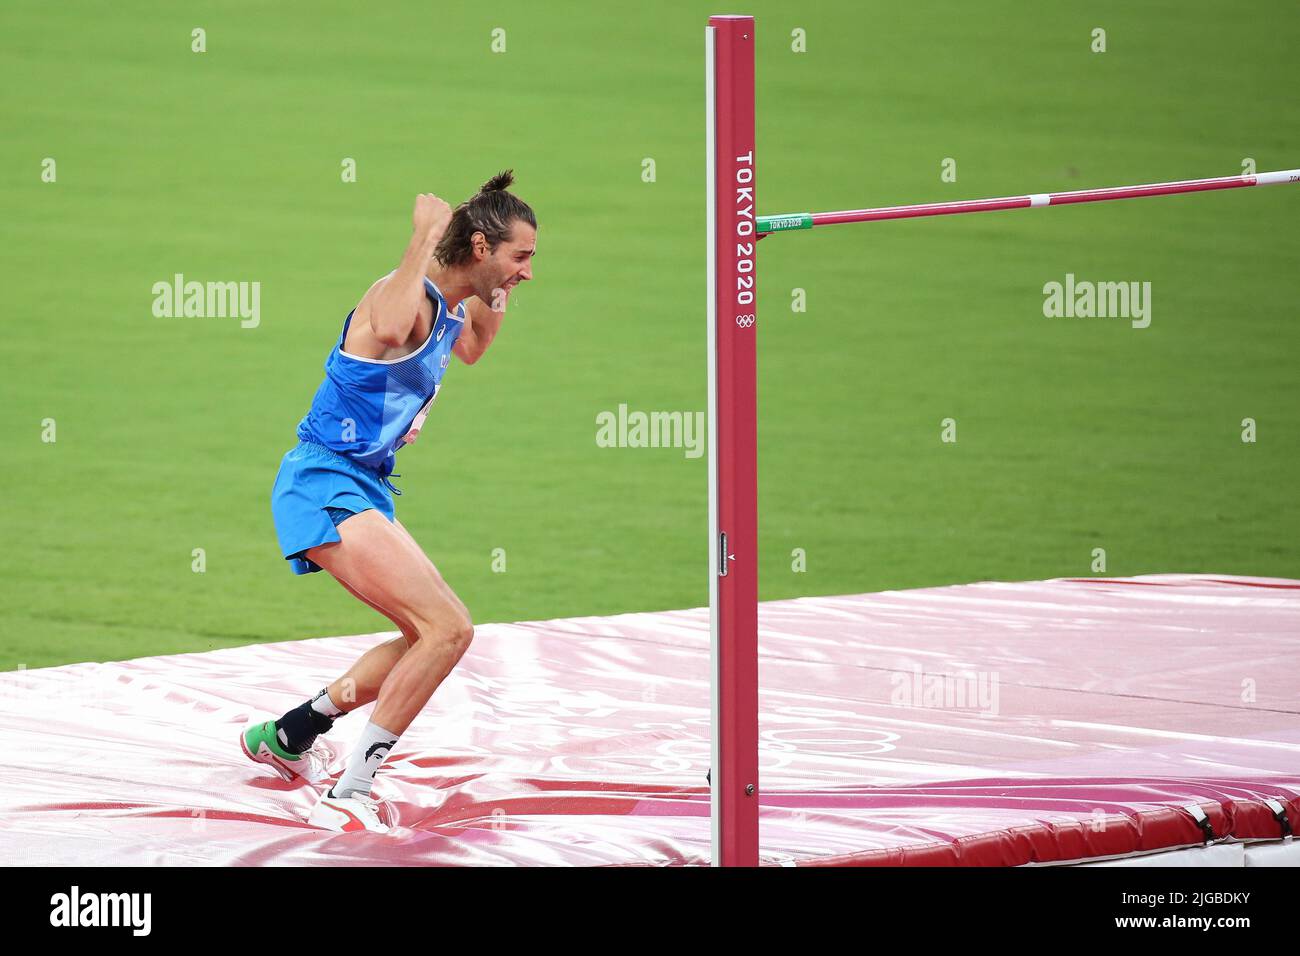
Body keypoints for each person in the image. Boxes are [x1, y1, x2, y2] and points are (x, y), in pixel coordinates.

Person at [242, 171, 537, 832]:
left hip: (364, 484)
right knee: (449, 630)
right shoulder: (398, 294)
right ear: (483, 246)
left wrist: (495, 283)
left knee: (420, 638)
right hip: (322, 481)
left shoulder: (458, 306)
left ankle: (291, 734)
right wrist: (426, 236)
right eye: (521, 257)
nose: (528, 273)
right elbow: (396, 321)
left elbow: (477, 347)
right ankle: (349, 792)